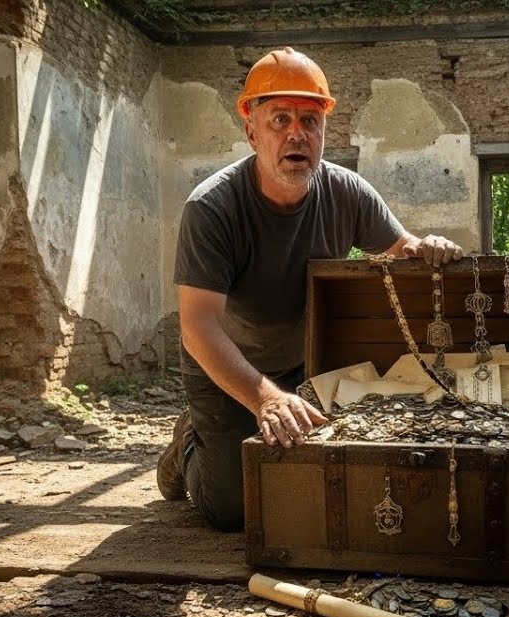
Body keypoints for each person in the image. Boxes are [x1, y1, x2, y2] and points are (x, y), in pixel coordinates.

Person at [157, 47, 464, 531]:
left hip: (307, 363)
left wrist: (428, 247)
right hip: (228, 367)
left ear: (324, 132)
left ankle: (241, 425)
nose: (296, 134)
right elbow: (198, 328)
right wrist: (265, 400)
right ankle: (192, 441)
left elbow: (400, 248)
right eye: (279, 119)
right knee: (232, 511)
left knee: (332, 466)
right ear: (251, 131)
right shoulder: (212, 208)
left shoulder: (348, 192)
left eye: (309, 120)